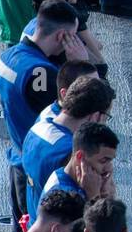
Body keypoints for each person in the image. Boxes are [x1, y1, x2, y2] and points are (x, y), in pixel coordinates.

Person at [0, 0, 86, 232]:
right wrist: (80, 64)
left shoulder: (10, 56)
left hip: (17, 158)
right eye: (73, 36)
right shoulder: (41, 73)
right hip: (34, 171)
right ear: (62, 37)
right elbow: (73, 109)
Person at [20, 75, 114, 220]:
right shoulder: (75, 154)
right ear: (95, 117)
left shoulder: (37, 127)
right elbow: (102, 208)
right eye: (106, 118)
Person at [25, 0, 106, 77]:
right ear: (65, 0)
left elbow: (98, 45)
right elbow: (99, 64)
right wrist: (83, 63)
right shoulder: (63, 37)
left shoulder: (37, 22)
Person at [42, 122, 117, 202]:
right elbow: (100, 214)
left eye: (111, 160)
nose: (109, 168)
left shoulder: (63, 174)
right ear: (80, 157)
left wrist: (104, 192)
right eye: (103, 161)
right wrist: (93, 196)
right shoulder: (63, 196)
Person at [34, 58, 98, 128]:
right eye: (89, 89)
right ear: (65, 94)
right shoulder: (58, 127)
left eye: (99, 85)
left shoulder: (56, 112)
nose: (99, 92)